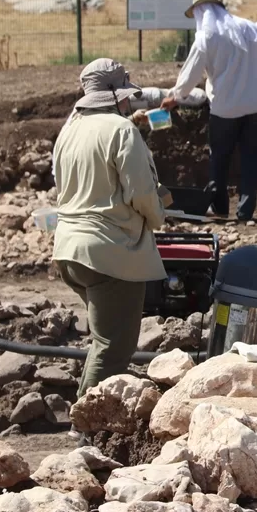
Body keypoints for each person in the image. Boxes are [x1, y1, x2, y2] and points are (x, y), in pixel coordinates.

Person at [54, 59, 167, 396]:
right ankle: (87, 426)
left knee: (103, 339)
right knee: (114, 346)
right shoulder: (121, 130)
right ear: (117, 96)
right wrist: (158, 216)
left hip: (69, 248)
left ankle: (87, 414)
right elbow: (141, 192)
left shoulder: (69, 129)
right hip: (109, 251)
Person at [162, 0, 257, 222]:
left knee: (219, 159)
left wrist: (175, 97)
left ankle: (221, 209)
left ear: (201, 12)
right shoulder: (250, 28)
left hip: (225, 109)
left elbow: (191, 73)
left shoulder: (207, 36)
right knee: (250, 159)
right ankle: (246, 212)